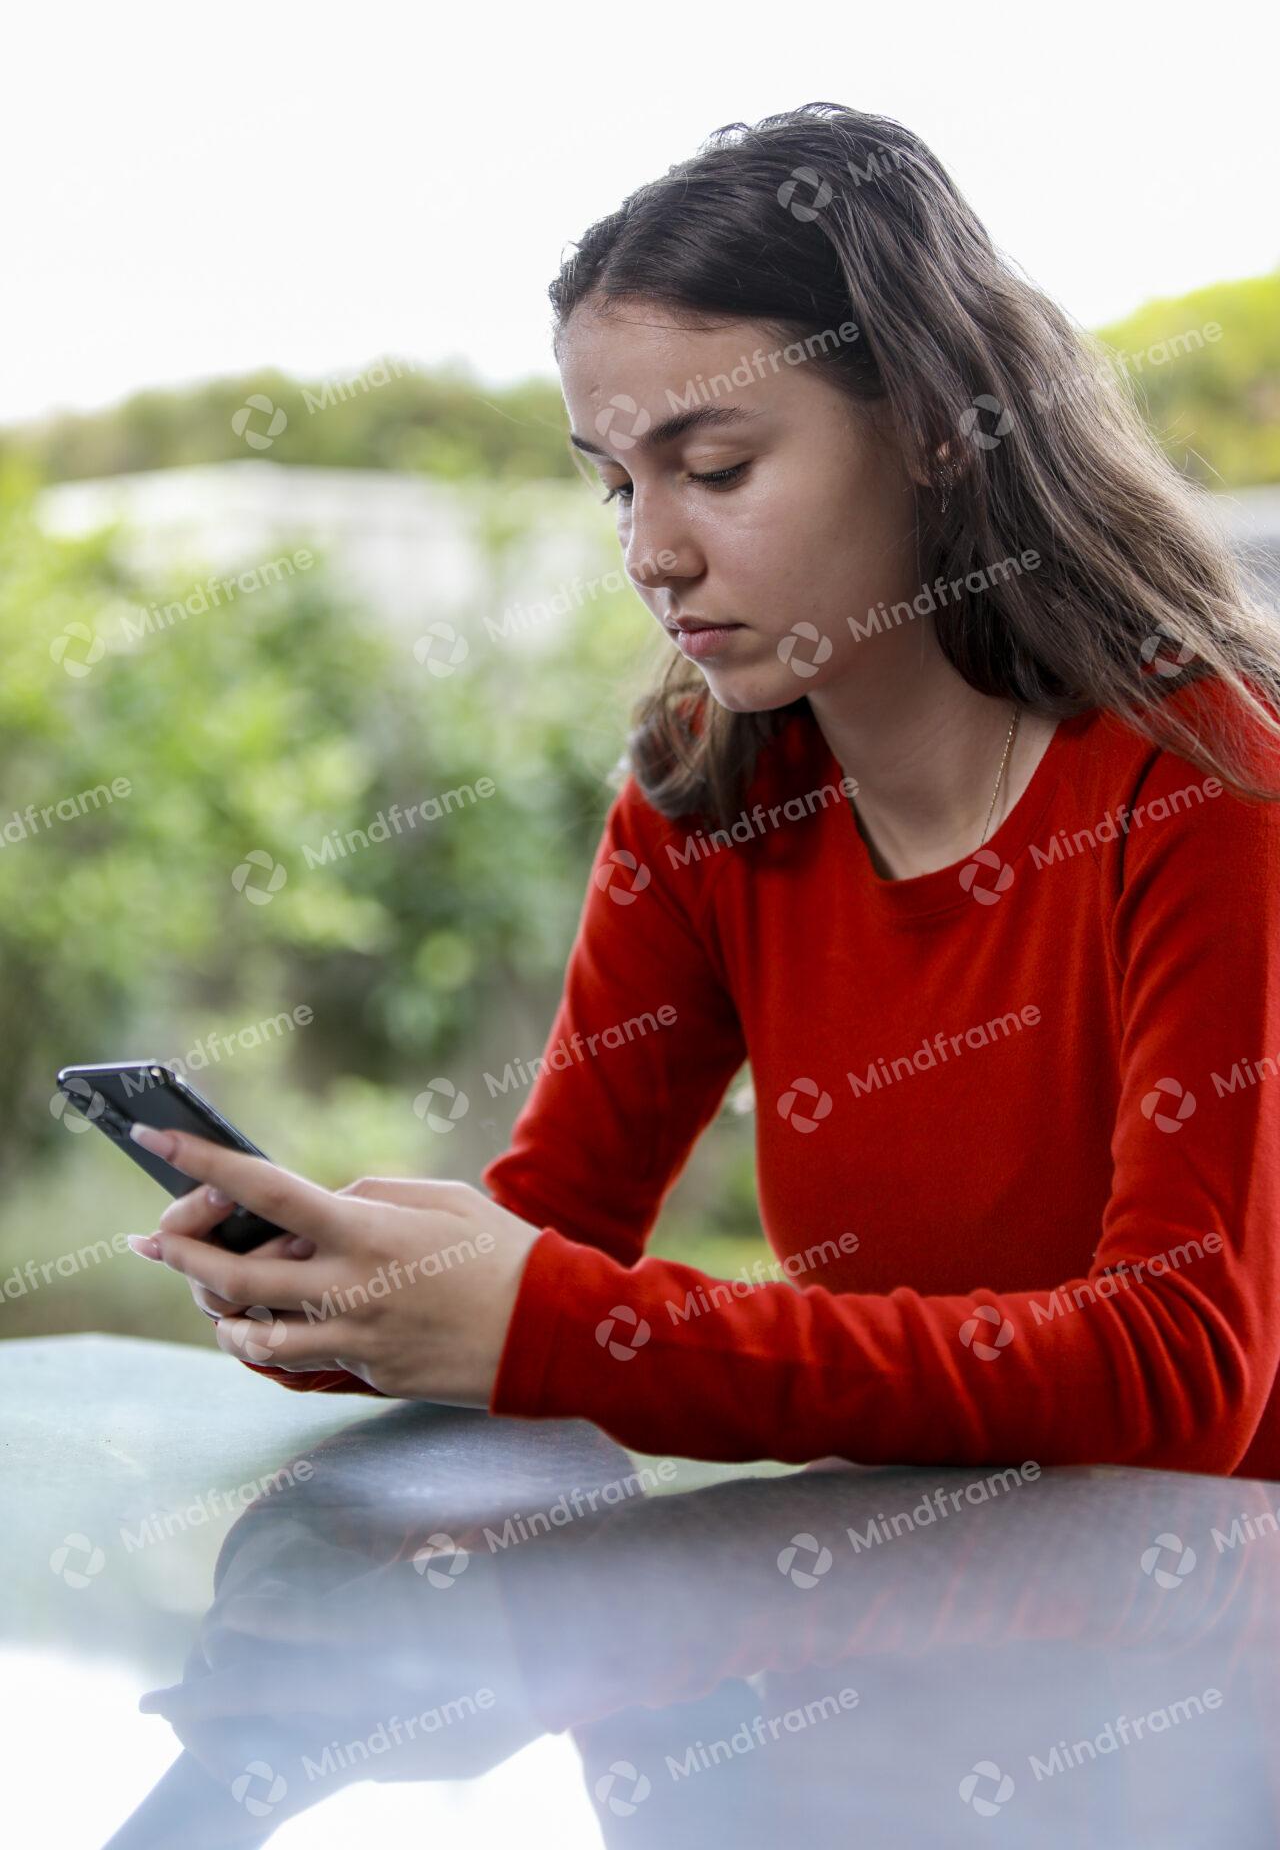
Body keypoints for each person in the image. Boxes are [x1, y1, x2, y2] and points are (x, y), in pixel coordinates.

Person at [128, 103, 1280, 1479]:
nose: (652, 554)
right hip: (917, 1634)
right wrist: (352, 1298)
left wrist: (557, 1327)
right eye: (618, 486)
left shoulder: (1209, 775)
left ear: (930, 428)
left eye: (715, 468)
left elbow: (1179, 1375)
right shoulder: (711, 794)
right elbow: (559, 1226)